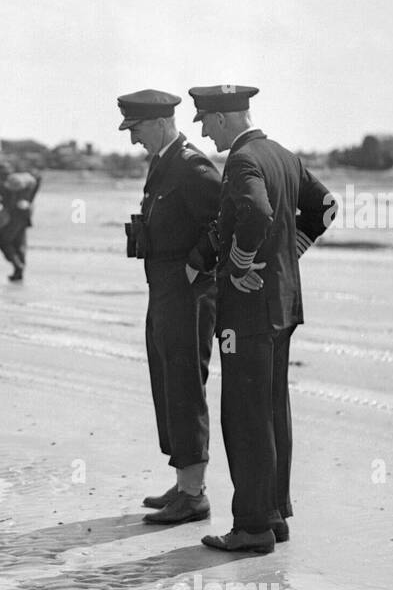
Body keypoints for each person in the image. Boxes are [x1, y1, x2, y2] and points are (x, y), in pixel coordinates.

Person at [187, 84, 334, 553]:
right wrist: (289, 254)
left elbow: (254, 211)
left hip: (248, 310)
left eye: (206, 121)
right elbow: (325, 207)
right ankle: (274, 517)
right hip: (284, 306)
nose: (205, 132)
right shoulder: (284, 156)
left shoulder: (244, 160)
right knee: (272, 411)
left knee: (245, 417)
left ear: (226, 118)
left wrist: (242, 261)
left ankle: (252, 526)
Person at [117, 89, 222, 526]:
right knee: (165, 381)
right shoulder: (163, 163)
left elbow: (226, 219)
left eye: (136, 128)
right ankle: (183, 483)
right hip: (162, 287)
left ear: (160, 123)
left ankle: (195, 495)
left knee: (183, 386)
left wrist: (198, 265)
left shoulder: (191, 164)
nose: (132, 138)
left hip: (187, 292)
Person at [0, 161, 40, 282]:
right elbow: (35, 187)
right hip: (25, 216)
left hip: (10, 218)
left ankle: (17, 266)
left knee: (5, 243)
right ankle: (19, 272)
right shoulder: (23, 184)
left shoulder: (4, 185)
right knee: (20, 244)